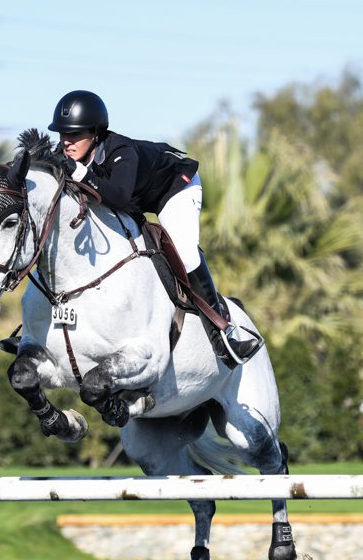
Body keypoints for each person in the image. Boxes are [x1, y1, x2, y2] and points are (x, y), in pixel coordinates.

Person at [48, 88, 263, 366]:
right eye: (63, 134)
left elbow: (119, 197)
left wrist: (79, 173)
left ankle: (224, 335)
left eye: (75, 134)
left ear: (96, 134)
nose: (67, 141)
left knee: (186, 254)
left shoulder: (121, 151)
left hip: (174, 189)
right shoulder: (67, 154)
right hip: (137, 200)